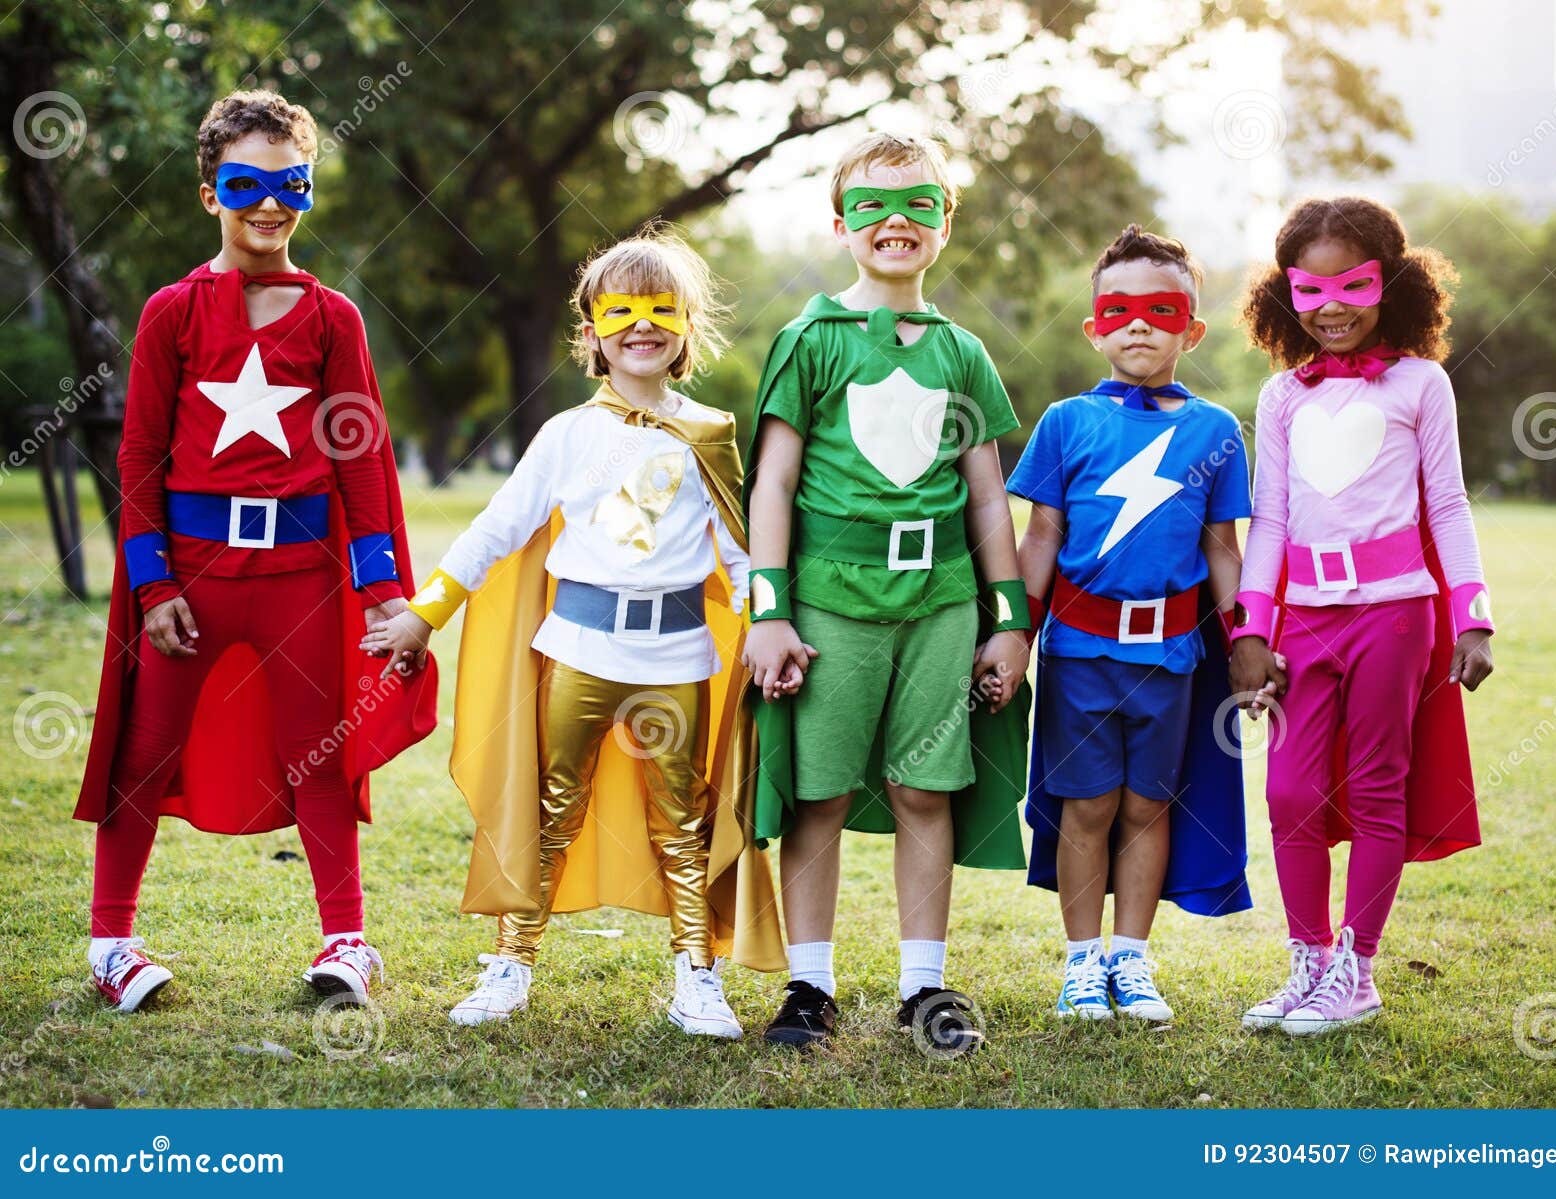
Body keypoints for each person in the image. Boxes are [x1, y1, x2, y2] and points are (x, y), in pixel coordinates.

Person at [363, 231, 783, 1037]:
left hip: (675, 655)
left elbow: (740, 551)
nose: (641, 325)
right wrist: (426, 612)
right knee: (549, 805)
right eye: (620, 310)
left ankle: (696, 974)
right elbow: (497, 527)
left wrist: (768, 624)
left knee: (682, 818)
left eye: (662, 309)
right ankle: (511, 962)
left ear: (688, 326)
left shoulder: (710, 434)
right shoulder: (565, 434)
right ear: (591, 332)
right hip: (579, 652)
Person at [77, 90, 436, 1013]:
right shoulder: (173, 311)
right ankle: (112, 942)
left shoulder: (333, 319)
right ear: (210, 195)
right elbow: (139, 455)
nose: (268, 203)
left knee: (321, 755)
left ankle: (347, 942)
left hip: (301, 580)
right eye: (246, 183)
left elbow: (360, 459)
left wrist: (387, 593)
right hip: (192, 576)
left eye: (291, 184)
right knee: (143, 755)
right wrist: (153, 585)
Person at [742, 133, 1032, 1052]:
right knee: (819, 794)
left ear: (947, 222)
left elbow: (988, 494)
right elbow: (774, 484)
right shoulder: (809, 341)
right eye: (872, 205)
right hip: (828, 599)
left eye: (917, 204)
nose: (895, 222)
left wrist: (1010, 622)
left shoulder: (962, 352)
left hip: (940, 601)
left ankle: (924, 986)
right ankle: (808, 985)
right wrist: (770, 610)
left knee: (924, 788)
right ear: (840, 224)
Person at [1232, 196, 1495, 1035]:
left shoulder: (1421, 382)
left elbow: (1447, 505)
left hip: (1397, 613)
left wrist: (1473, 616)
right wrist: (1249, 629)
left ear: (1393, 284)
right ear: (1285, 297)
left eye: (1353, 284)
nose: (1333, 306)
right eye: (1310, 290)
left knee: (1380, 788)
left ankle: (1357, 967)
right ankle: (1307, 957)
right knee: (1289, 790)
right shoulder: (1281, 397)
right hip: (1303, 616)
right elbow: (1268, 518)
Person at [1010, 225, 1255, 1023]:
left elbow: (1225, 549)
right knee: (1087, 806)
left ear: (1191, 327)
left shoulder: (1215, 431)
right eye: (1118, 310)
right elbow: (1041, 535)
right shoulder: (1064, 422)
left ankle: (1131, 957)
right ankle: (1082, 962)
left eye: (1161, 309)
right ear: (1094, 327)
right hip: (1081, 651)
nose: (1138, 325)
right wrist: (1013, 633)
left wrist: (1246, 637)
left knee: (1149, 804)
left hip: (1175, 657)